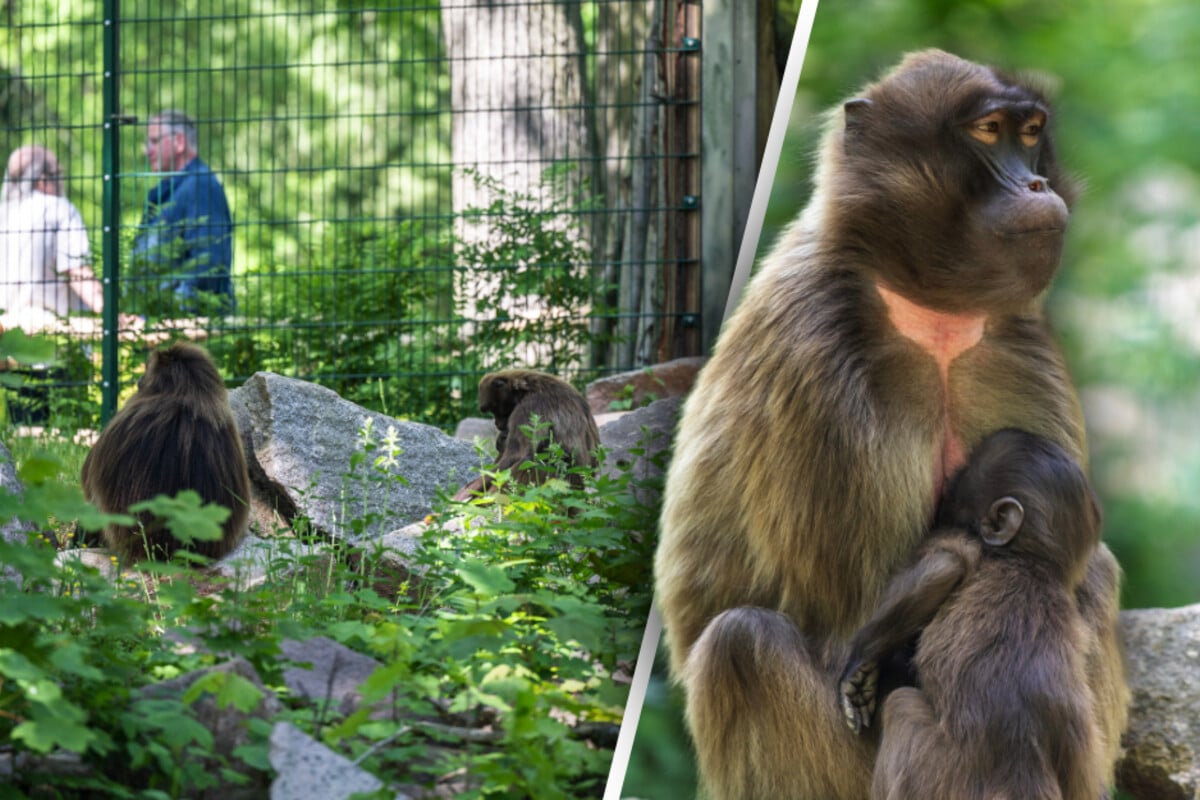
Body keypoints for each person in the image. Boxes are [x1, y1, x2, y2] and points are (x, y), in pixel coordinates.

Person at [131, 110, 234, 313]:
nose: (147, 150)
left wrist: (173, 315)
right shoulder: (165, 192)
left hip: (186, 328)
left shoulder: (200, 186)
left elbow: (208, 265)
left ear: (179, 142)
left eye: (154, 141)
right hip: (156, 326)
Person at [0, 144, 104, 329]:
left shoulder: (3, 215)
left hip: (6, 337)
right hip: (51, 334)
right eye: (58, 172)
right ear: (42, 178)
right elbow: (76, 271)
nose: (61, 180)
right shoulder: (59, 209)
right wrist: (111, 313)